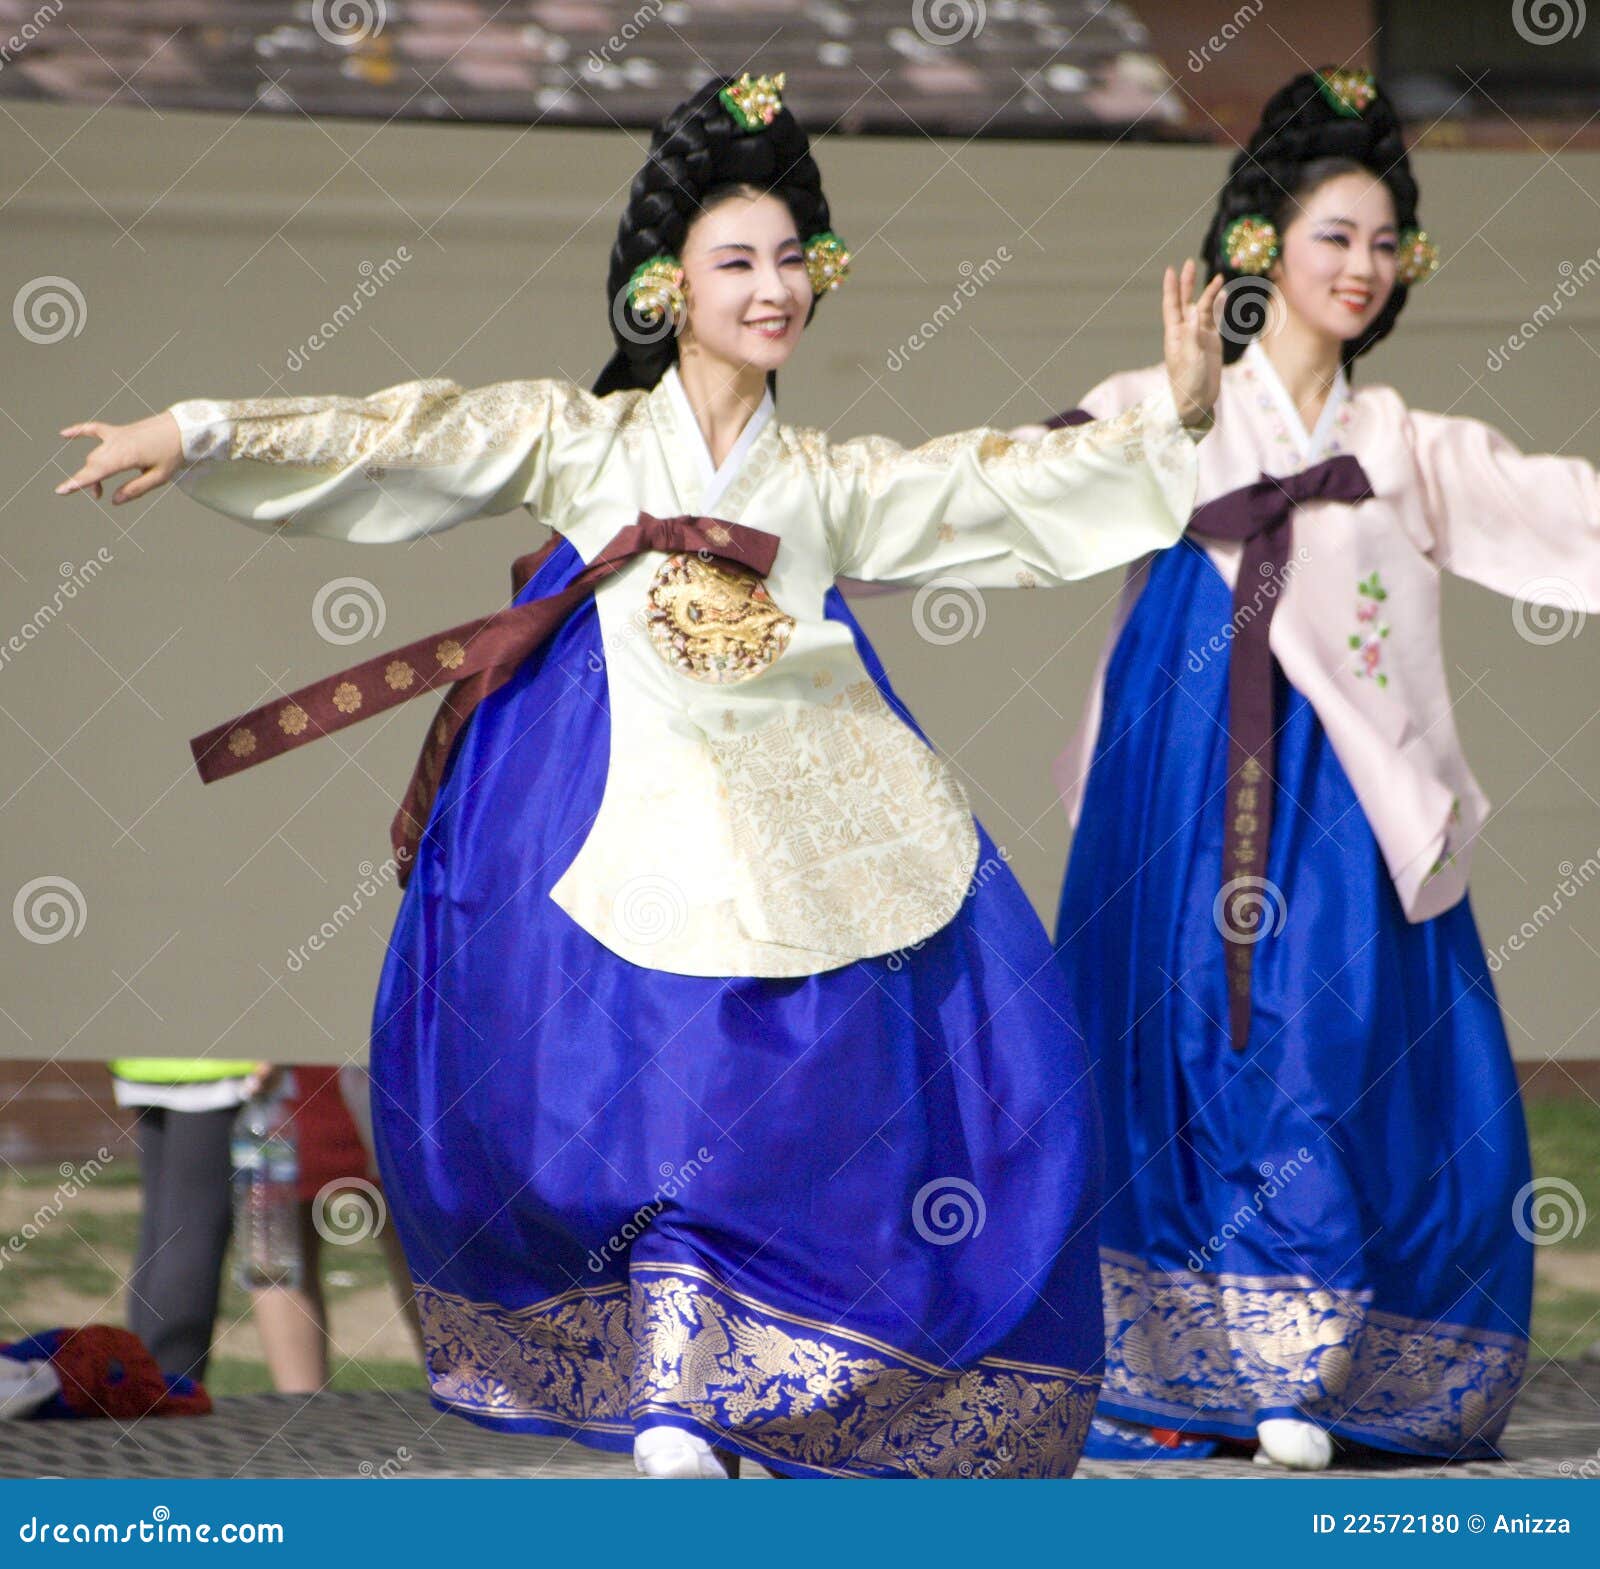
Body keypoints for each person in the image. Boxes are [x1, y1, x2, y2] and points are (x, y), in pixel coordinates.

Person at [56, 71, 1220, 1477]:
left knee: (837, 1093)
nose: (773, 285)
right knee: (661, 1105)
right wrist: (199, 431)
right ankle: (673, 1390)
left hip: (811, 822)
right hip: (633, 821)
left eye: (793, 257)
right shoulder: (588, 438)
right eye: (739, 259)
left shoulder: (825, 476)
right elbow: (405, 434)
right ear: (668, 288)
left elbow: (989, 489)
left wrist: (1174, 426)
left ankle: (785, 1377)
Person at [1027, 66, 1583, 1468]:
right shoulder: (1167, 397)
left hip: (1340, 792)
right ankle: (1204, 1362)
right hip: (1181, 773)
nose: (1364, 265)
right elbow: (1015, 497)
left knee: (1317, 1047)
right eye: (1337, 233)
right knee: (1178, 1043)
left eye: (1386, 242)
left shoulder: (1400, 444)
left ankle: (1313, 1356)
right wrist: (1175, 411)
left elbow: (1560, 506)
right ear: (1265, 248)